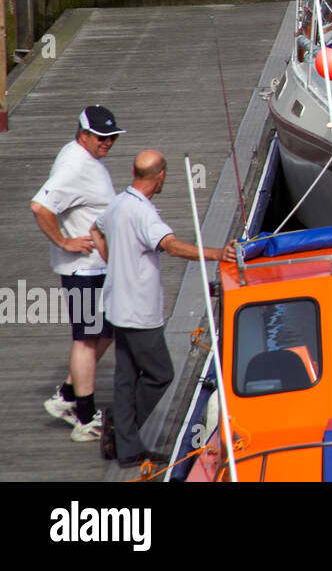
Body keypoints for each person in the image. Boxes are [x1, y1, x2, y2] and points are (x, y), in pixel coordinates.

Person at [92, 150, 237, 468]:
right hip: (140, 311)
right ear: (159, 177)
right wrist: (217, 254)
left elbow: (95, 230)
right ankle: (121, 430)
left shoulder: (118, 203)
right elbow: (170, 245)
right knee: (160, 374)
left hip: (117, 305)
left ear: (134, 171)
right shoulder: (145, 215)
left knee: (125, 377)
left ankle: (126, 447)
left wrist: (112, 262)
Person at [30, 105, 125, 443]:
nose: (108, 142)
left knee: (109, 330)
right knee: (85, 339)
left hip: (97, 266)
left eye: (112, 136)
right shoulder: (74, 166)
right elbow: (40, 206)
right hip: (82, 269)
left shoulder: (82, 158)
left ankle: (68, 394)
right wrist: (64, 241)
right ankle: (84, 417)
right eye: (101, 137)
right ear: (83, 134)